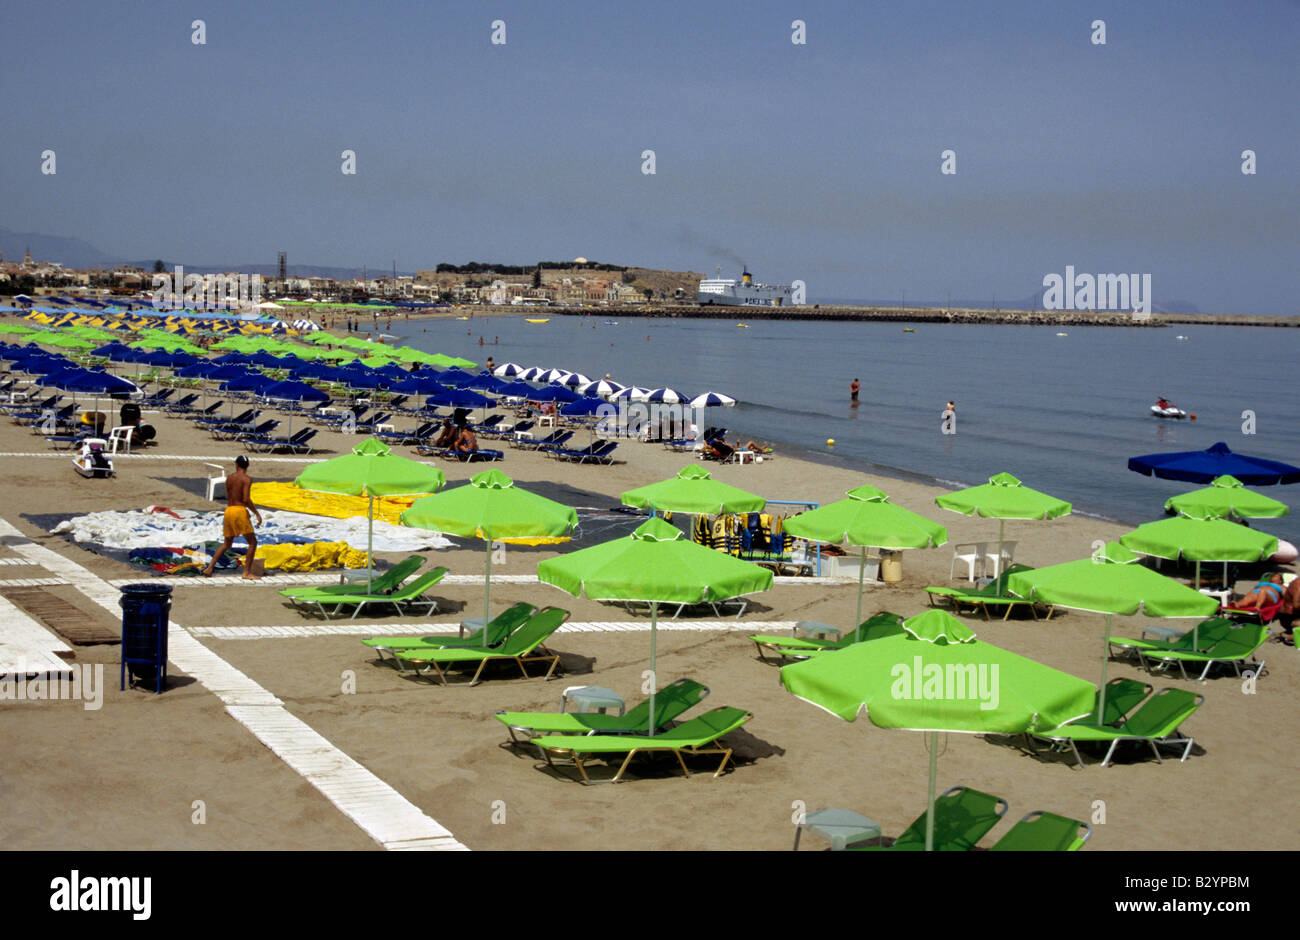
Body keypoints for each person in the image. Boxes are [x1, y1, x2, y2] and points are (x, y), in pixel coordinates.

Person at [202, 455, 263, 579]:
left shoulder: (229, 478)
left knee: (227, 543)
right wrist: (256, 513)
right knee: (252, 543)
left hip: (229, 510)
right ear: (248, 466)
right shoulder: (246, 479)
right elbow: (245, 499)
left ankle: (209, 568)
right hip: (239, 511)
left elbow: (231, 494)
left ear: (236, 465)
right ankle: (246, 573)